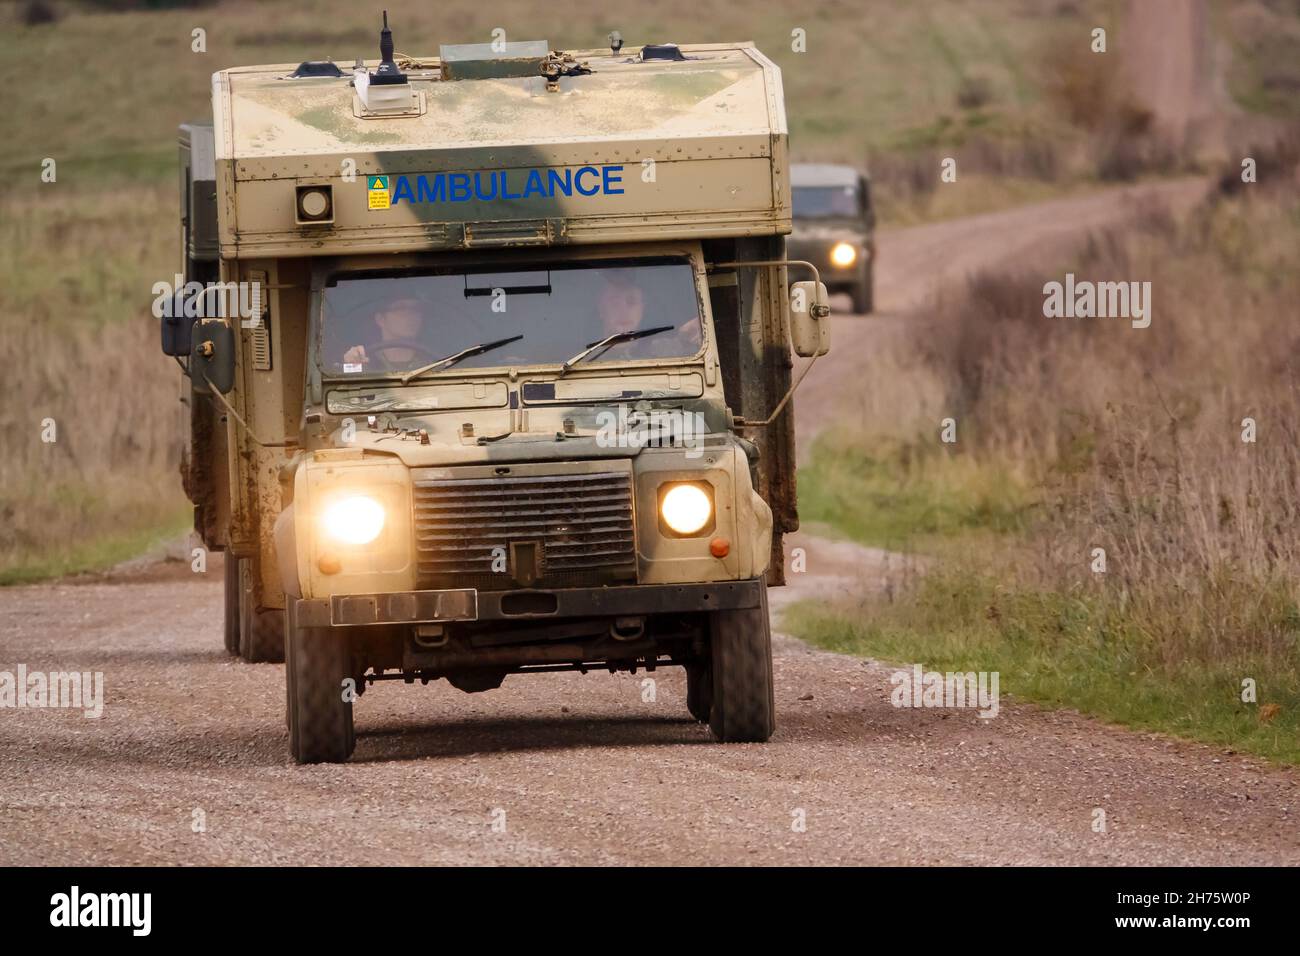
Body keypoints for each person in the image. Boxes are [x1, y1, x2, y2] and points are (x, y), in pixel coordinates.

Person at [593, 271, 700, 360]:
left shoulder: (665, 352)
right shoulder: (586, 359)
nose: (623, 310)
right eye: (614, 302)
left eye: (632, 301)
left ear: (642, 308)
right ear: (601, 309)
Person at [340, 297, 429, 371]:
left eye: (416, 309)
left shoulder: (433, 363)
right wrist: (350, 365)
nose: (411, 315)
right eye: (401, 309)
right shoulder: (365, 362)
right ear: (380, 319)